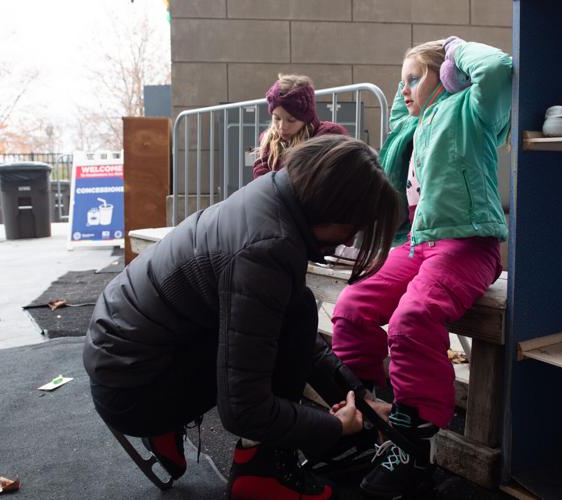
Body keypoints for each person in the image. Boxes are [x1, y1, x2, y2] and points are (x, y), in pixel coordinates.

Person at [83, 135, 402, 499]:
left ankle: (186, 431)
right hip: (135, 391)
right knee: (295, 315)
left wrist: (361, 399)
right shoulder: (268, 249)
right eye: (354, 228)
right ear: (333, 210)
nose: (349, 239)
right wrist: (332, 427)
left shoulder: (274, 196)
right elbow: (244, 409)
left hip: (124, 360)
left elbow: (271, 326)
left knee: (294, 309)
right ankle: (261, 473)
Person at [330, 37, 512, 498]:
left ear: (446, 77)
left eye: (415, 79)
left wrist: (453, 50)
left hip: (468, 243)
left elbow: (496, 67)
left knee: (410, 320)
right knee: (351, 308)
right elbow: (402, 96)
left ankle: (413, 446)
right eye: (403, 81)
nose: (404, 89)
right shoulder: (410, 125)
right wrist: (414, 69)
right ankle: (368, 416)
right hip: (417, 243)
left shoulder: (470, 111)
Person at [252, 74, 349, 179]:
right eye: (277, 118)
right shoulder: (268, 139)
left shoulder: (329, 135)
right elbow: (260, 176)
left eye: (291, 120)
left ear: (306, 118)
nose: (282, 126)